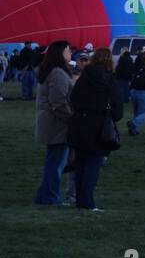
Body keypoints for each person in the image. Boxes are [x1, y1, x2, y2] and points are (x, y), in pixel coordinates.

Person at [67, 48, 123, 211]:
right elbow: (117, 109)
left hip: (79, 124)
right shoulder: (109, 80)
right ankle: (87, 202)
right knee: (93, 166)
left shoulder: (84, 77)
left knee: (81, 164)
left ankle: (80, 200)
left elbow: (74, 99)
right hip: (98, 127)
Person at [33, 39, 73, 205]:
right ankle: (50, 198)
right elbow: (59, 102)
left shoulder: (51, 71)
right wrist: (72, 119)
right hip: (57, 125)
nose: (70, 53)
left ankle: (44, 196)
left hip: (50, 123)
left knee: (52, 162)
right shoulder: (57, 73)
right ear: (60, 53)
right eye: (68, 50)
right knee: (56, 164)